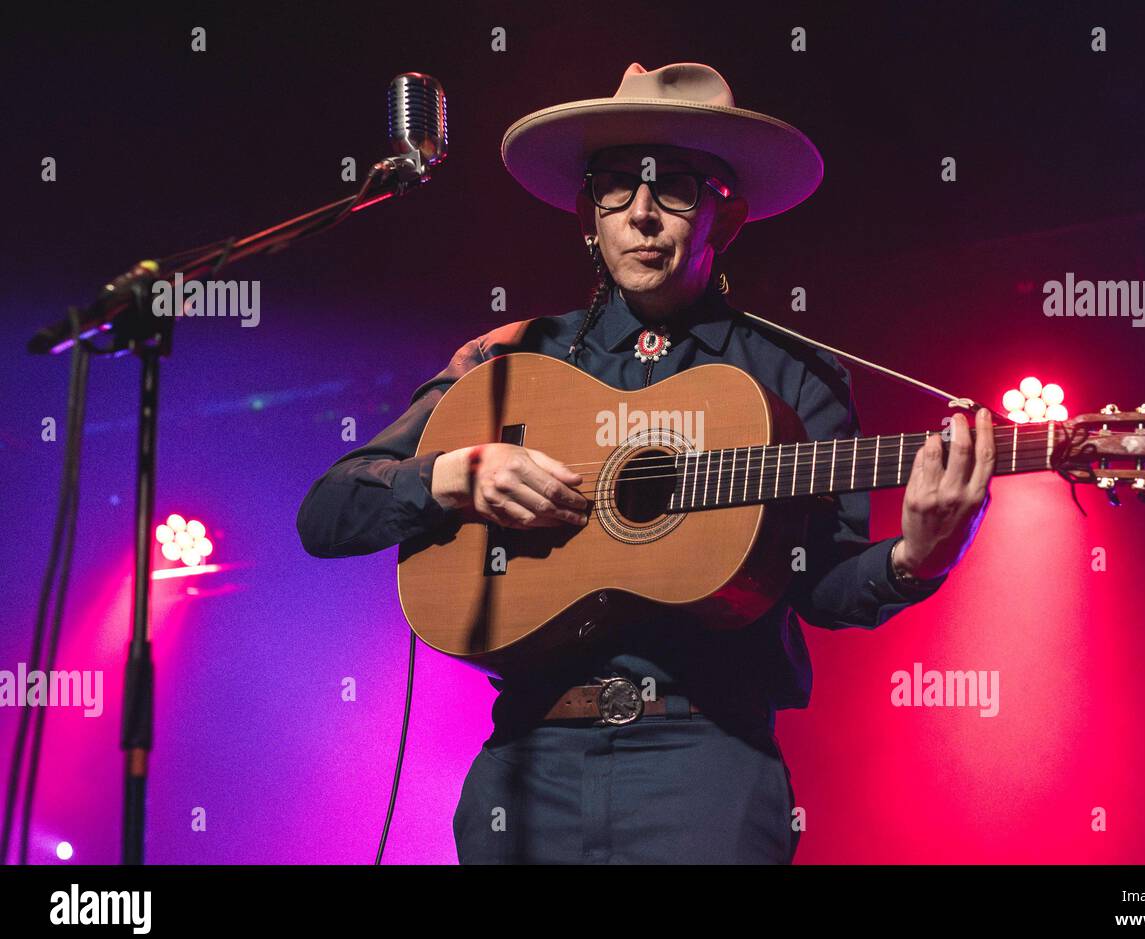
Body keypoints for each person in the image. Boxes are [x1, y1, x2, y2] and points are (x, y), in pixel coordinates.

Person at [296, 62, 994, 864]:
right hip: (528, 765)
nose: (643, 216)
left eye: (675, 189)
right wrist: (451, 477)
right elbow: (327, 511)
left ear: (724, 219)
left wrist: (917, 558)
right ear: (588, 220)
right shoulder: (510, 358)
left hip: (707, 768)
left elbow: (822, 583)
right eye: (617, 188)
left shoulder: (794, 377)